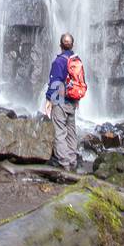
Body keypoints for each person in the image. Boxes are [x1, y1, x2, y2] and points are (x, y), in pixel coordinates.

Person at [43, 32, 82, 171]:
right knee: (71, 132)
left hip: (60, 100)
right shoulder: (77, 61)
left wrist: (49, 100)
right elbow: (80, 81)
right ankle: (73, 162)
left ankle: (64, 164)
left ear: (60, 45)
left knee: (59, 132)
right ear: (72, 45)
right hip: (72, 100)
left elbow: (55, 81)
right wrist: (77, 99)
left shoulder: (59, 61)